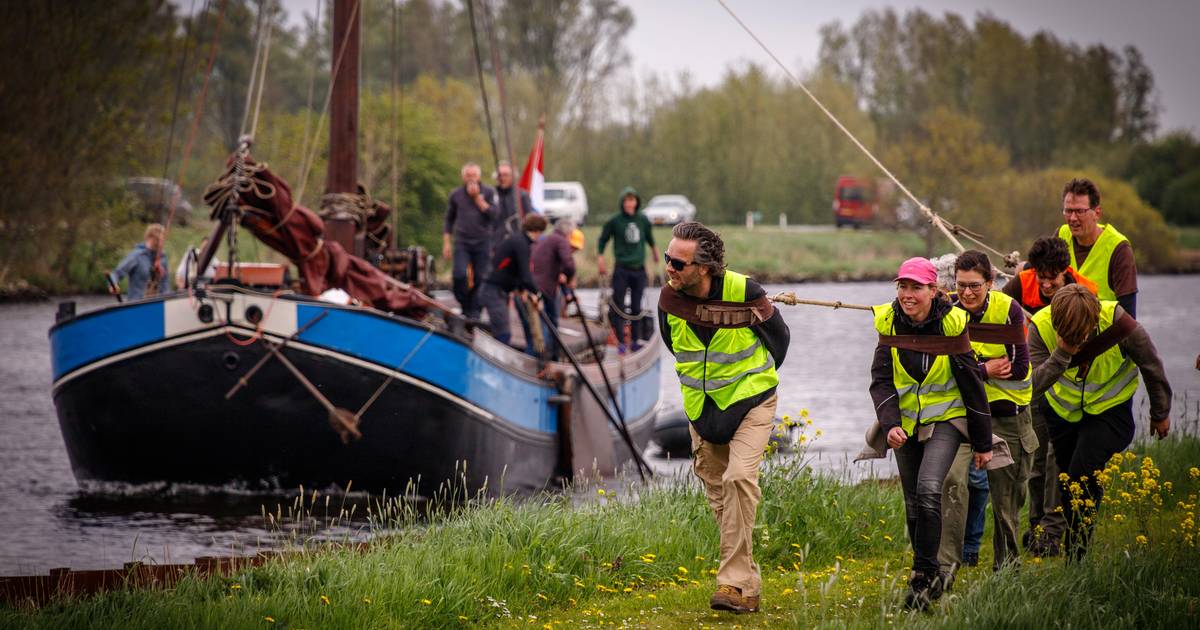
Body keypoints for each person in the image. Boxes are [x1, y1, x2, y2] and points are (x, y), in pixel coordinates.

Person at [656, 222, 789, 614]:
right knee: (721, 500)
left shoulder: (745, 292)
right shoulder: (668, 299)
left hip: (752, 403)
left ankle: (730, 585)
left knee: (738, 479)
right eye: (667, 259)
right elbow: (673, 345)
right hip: (703, 410)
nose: (669, 268)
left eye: (678, 263)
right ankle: (749, 587)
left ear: (704, 268)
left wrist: (752, 382)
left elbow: (779, 341)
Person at [869, 257, 992, 611]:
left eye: (916, 288)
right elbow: (881, 381)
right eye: (903, 287)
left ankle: (923, 576)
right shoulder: (888, 322)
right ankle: (924, 569)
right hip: (905, 422)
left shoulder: (952, 324)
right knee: (912, 502)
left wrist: (983, 443)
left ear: (933, 290)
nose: (908, 295)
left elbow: (972, 386)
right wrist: (890, 424)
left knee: (928, 489)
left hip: (946, 420)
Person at [1028, 284, 1171, 561]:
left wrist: (1160, 413)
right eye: (1069, 335)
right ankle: (1074, 548)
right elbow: (1032, 386)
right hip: (1062, 412)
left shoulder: (1120, 323)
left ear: (1093, 322)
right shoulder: (1040, 326)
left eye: (1082, 335)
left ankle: (1076, 555)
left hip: (1110, 410)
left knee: (1083, 471)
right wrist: (1062, 353)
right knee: (1068, 481)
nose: (1079, 342)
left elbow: (1151, 365)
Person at [937, 251, 1035, 581]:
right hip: (964, 415)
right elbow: (945, 368)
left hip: (1008, 415)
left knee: (1007, 500)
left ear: (990, 283)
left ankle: (1006, 571)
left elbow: (1019, 367)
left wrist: (969, 369)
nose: (966, 293)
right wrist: (984, 369)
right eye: (961, 285)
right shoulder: (949, 310)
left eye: (974, 286)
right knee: (952, 482)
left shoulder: (1009, 310)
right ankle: (945, 569)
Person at [1002, 235, 1097, 556]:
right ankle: (1036, 526)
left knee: (1058, 460)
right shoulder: (1021, 283)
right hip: (1033, 381)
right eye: (1040, 277)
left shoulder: (1085, 291)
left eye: (1052, 279)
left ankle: (1053, 530)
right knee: (1036, 458)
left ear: (1065, 272)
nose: (1045, 285)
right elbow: (994, 311)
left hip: (1068, 385)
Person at [1058, 177, 1137, 316]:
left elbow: (1129, 315)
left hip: (1103, 328)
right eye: (1068, 211)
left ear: (1097, 213)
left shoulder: (1119, 249)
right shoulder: (1061, 235)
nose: (1073, 218)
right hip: (1064, 327)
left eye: (1080, 211)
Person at [598, 186, 659, 353]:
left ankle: (635, 340)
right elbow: (602, 240)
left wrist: (655, 252)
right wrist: (600, 258)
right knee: (618, 306)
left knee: (636, 307)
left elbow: (649, 238)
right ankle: (621, 342)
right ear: (622, 203)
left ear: (636, 202)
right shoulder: (615, 221)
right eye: (626, 201)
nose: (629, 204)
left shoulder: (643, 220)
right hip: (621, 269)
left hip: (639, 270)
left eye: (632, 200)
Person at [480, 213, 547, 354]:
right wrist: (538, 294)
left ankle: (497, 357)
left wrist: (522, 289)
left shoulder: (518, 240)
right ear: (537, 231)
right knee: (503, 333)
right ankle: (497, 361)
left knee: (502, 331)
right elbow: (525, 275)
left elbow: (514, 270)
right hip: (493, 290)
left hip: (499, 290)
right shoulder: (521, 243)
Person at [443, 162, 497, 318]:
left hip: (483, 241)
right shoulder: (456, 194)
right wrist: (446, 243)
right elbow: (449, 219)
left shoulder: (489, 192)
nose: (471, 178)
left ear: (479, 176)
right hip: (462, 241)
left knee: (481, 277)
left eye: (474, 175)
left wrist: (478, 199)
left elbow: (494, 215)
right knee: (459, 275)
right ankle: (464, 304)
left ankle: (475, 310)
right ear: (463, 177)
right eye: (468, 175)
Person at [1002, 236, 1097, 313]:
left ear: (1064, 270)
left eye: (1052, 277)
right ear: (1034, 270)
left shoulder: (1087, 292)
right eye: (1041, 277)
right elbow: (999, 305)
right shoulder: (1023, 282)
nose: (1046, 285)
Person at [531, 219, 578, 358]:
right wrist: (568, 277)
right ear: (567, 233)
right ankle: (549, 359)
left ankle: (546, 357)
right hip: (546, 288)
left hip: (536, 287)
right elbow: (569, 265)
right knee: (549, 324)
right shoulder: (561, 240)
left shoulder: (546, 239)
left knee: (546, 323)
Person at [109, 223, 168, 301]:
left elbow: (165, 286)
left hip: (159, 304)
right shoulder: (136, 256)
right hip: (137, 303)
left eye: (163, 240)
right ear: (150, 238)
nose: (161, 244)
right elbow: (116, 273)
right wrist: (113, 284)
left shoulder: (163, 258)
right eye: (159, 240)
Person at [492, 161, 533, 250]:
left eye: (506, 175)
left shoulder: (522, 195)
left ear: (513, 177)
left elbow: (529, 219)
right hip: (494, 243)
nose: (502, 178)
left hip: (517, 242)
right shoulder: (490, 194)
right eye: (500, 175)